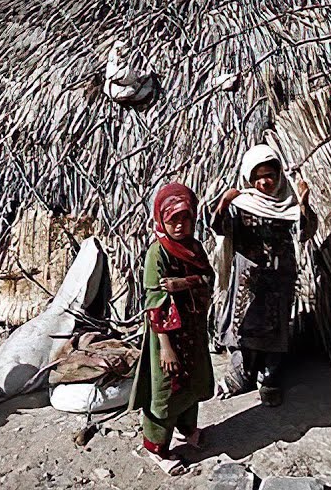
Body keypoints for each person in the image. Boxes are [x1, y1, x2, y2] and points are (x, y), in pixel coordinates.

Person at [211, 144, 316, 407]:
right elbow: (219, 229)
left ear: (279, 174)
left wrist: (303, 207)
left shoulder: (288, 203)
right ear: (248, 177)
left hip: (280, 276)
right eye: (257, 177)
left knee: (275, 324)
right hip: (248, 277)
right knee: (242, 324)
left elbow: (305, 233)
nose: (264, 182)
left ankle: (269, 376)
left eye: (269, 174)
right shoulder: (242, 203)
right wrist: (223, 206)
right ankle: (242, 374)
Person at [129, 183, 216, 476]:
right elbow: (155, 301)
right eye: (173, 219)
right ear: (161, 219)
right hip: (168, 335)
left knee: (192, 384)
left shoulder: (194, 247)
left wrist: (185, 282)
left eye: (185, 218)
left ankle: (187, 429)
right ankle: (156, 448)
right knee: (165, 390)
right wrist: (165, 346)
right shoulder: (158, 253)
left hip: (193, 330)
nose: (180, 225)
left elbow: (208, 278)